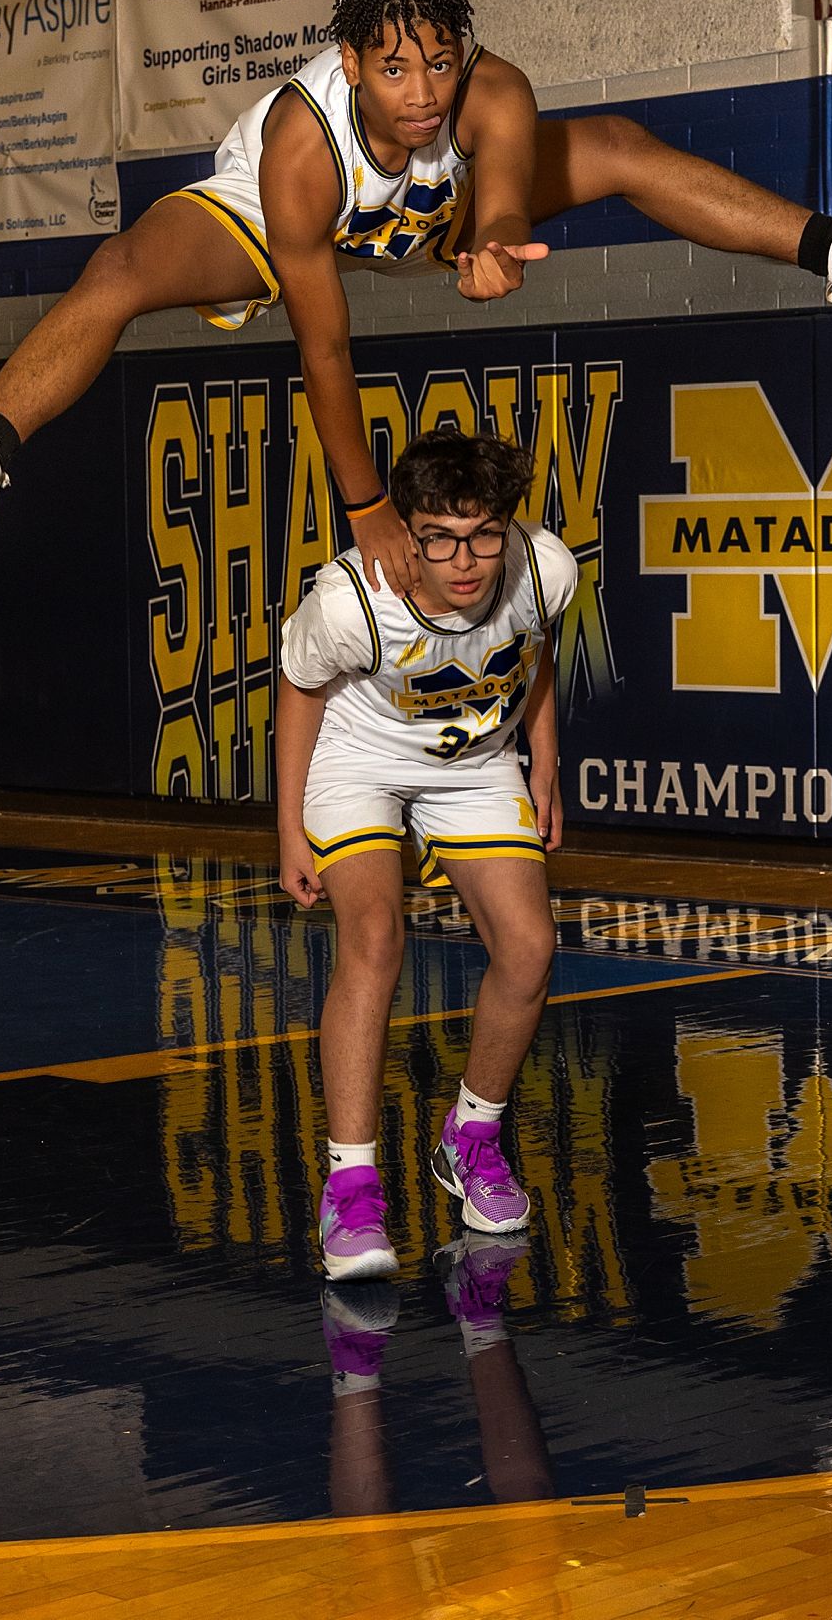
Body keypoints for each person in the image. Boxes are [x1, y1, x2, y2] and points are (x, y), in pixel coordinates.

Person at [0, 0, 832, 591]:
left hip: (427, 216)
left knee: (618, 143)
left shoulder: (491, 93)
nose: (420, 89)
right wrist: (367, 503)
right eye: (393, 68)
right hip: (289, 224)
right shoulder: (295, 147)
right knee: (124, 264)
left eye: (437, 62)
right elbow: (321, 341)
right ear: (351, 65)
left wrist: (494, 241)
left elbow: (512, 186)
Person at [275, 428, 574, 1281]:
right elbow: (298, 689)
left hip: (475, 761)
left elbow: (537, 648)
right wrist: (288, 826)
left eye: (483, 533)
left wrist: (544, 755)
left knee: (529, 948)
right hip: (358, 756)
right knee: (374, 939)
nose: (465, 559)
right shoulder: (351, 599)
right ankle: (353, 1187)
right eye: (439, 538)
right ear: (407, 530)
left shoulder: (543, 567)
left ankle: (470, 1137)